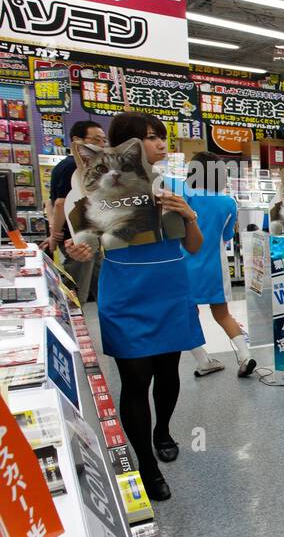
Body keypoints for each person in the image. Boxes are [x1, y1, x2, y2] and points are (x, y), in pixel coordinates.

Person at [64, 112, 204, 503]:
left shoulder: (171, 187)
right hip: (125, 293)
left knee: (169, 369)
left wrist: (188, 215)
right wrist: (75, 249)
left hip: (171, 288)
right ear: (125, 144)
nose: (161, 144)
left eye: (162, 137)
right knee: (135, 379)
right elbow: (84, 241)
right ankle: (146, 462)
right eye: (151, 137)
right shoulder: (94, 186)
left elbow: (193, 245)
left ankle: (163, 432)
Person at [183, 152, 257, 379]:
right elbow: (226, 237)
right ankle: (245, 356)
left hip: (182, 266)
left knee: (187, 314)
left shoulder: (181, 197)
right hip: (214, 266)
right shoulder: (227, 203)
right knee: (223, 314)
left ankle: (203, 361)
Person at [45, 119, 107, 303]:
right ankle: (72, 328)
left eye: (103, 140)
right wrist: (55, 234)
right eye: (96, 140)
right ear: (76, 140)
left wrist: (53, 231)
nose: (102, 145)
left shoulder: (65, 165)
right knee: (74, 293)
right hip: (78, 239)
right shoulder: (74, 166)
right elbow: (60, 203)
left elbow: (50, 201)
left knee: (100, 284)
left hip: (88, 238)